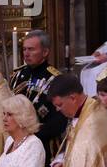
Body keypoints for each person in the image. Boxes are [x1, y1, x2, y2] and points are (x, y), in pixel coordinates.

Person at [8, 28, 68, 159]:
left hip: (43, 144)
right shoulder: (17, 75)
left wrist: (31, 136)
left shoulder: (56, 79)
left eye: (31, 49)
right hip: (16, 143)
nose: (26, 53)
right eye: (24, 49)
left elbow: (60, 120)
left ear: (45, 52)